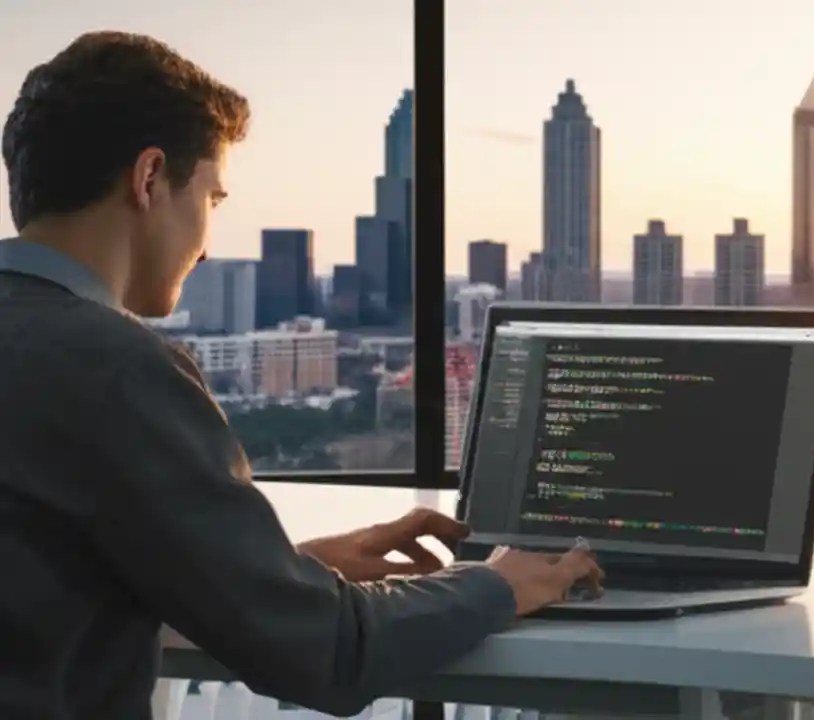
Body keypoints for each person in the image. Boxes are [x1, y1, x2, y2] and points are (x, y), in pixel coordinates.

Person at [0, 31, 601, 719]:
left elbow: (51, 577)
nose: (206, 246)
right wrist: (498, 585)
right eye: (213, 199)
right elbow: (328, 653)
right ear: (148, 179)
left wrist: (289, 572)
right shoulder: (115, 366)